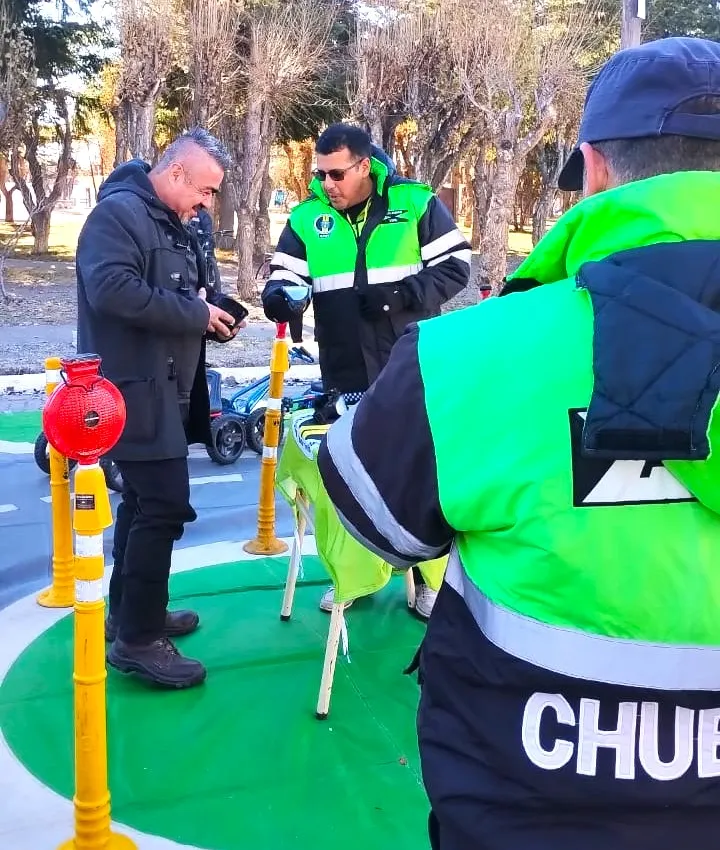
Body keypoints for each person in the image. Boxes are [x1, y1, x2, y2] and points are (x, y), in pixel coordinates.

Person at [318, 37, 720, 850]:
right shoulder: (325, 225)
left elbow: (371, 525)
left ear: (595, 168)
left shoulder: (469, 356)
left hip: (521, 803)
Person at [262, 122, 471, 619]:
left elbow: (457, 266)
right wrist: (278, 298)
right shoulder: (309, 217)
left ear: (363, 166)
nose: (327, 184)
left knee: (416, 474)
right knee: (349, 475)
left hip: (409, 366)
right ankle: (354, 578)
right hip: (344, 369)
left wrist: (400, 297)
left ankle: (426, 580)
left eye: (336, 174)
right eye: (321, 174)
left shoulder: (415, 204)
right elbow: (285, 274)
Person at [76, 127, 242, 690]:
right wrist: (194, 316)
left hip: (165, 388)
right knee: (165, 507)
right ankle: (139, 641)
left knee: (146, 504)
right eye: (205, 190)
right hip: (129, 393)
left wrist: (212, 314)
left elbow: (178, 295)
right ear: (175, 174)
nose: (207, 203)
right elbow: (113, 291)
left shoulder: (173, 222)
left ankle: (129, 615)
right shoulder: (117, 216)